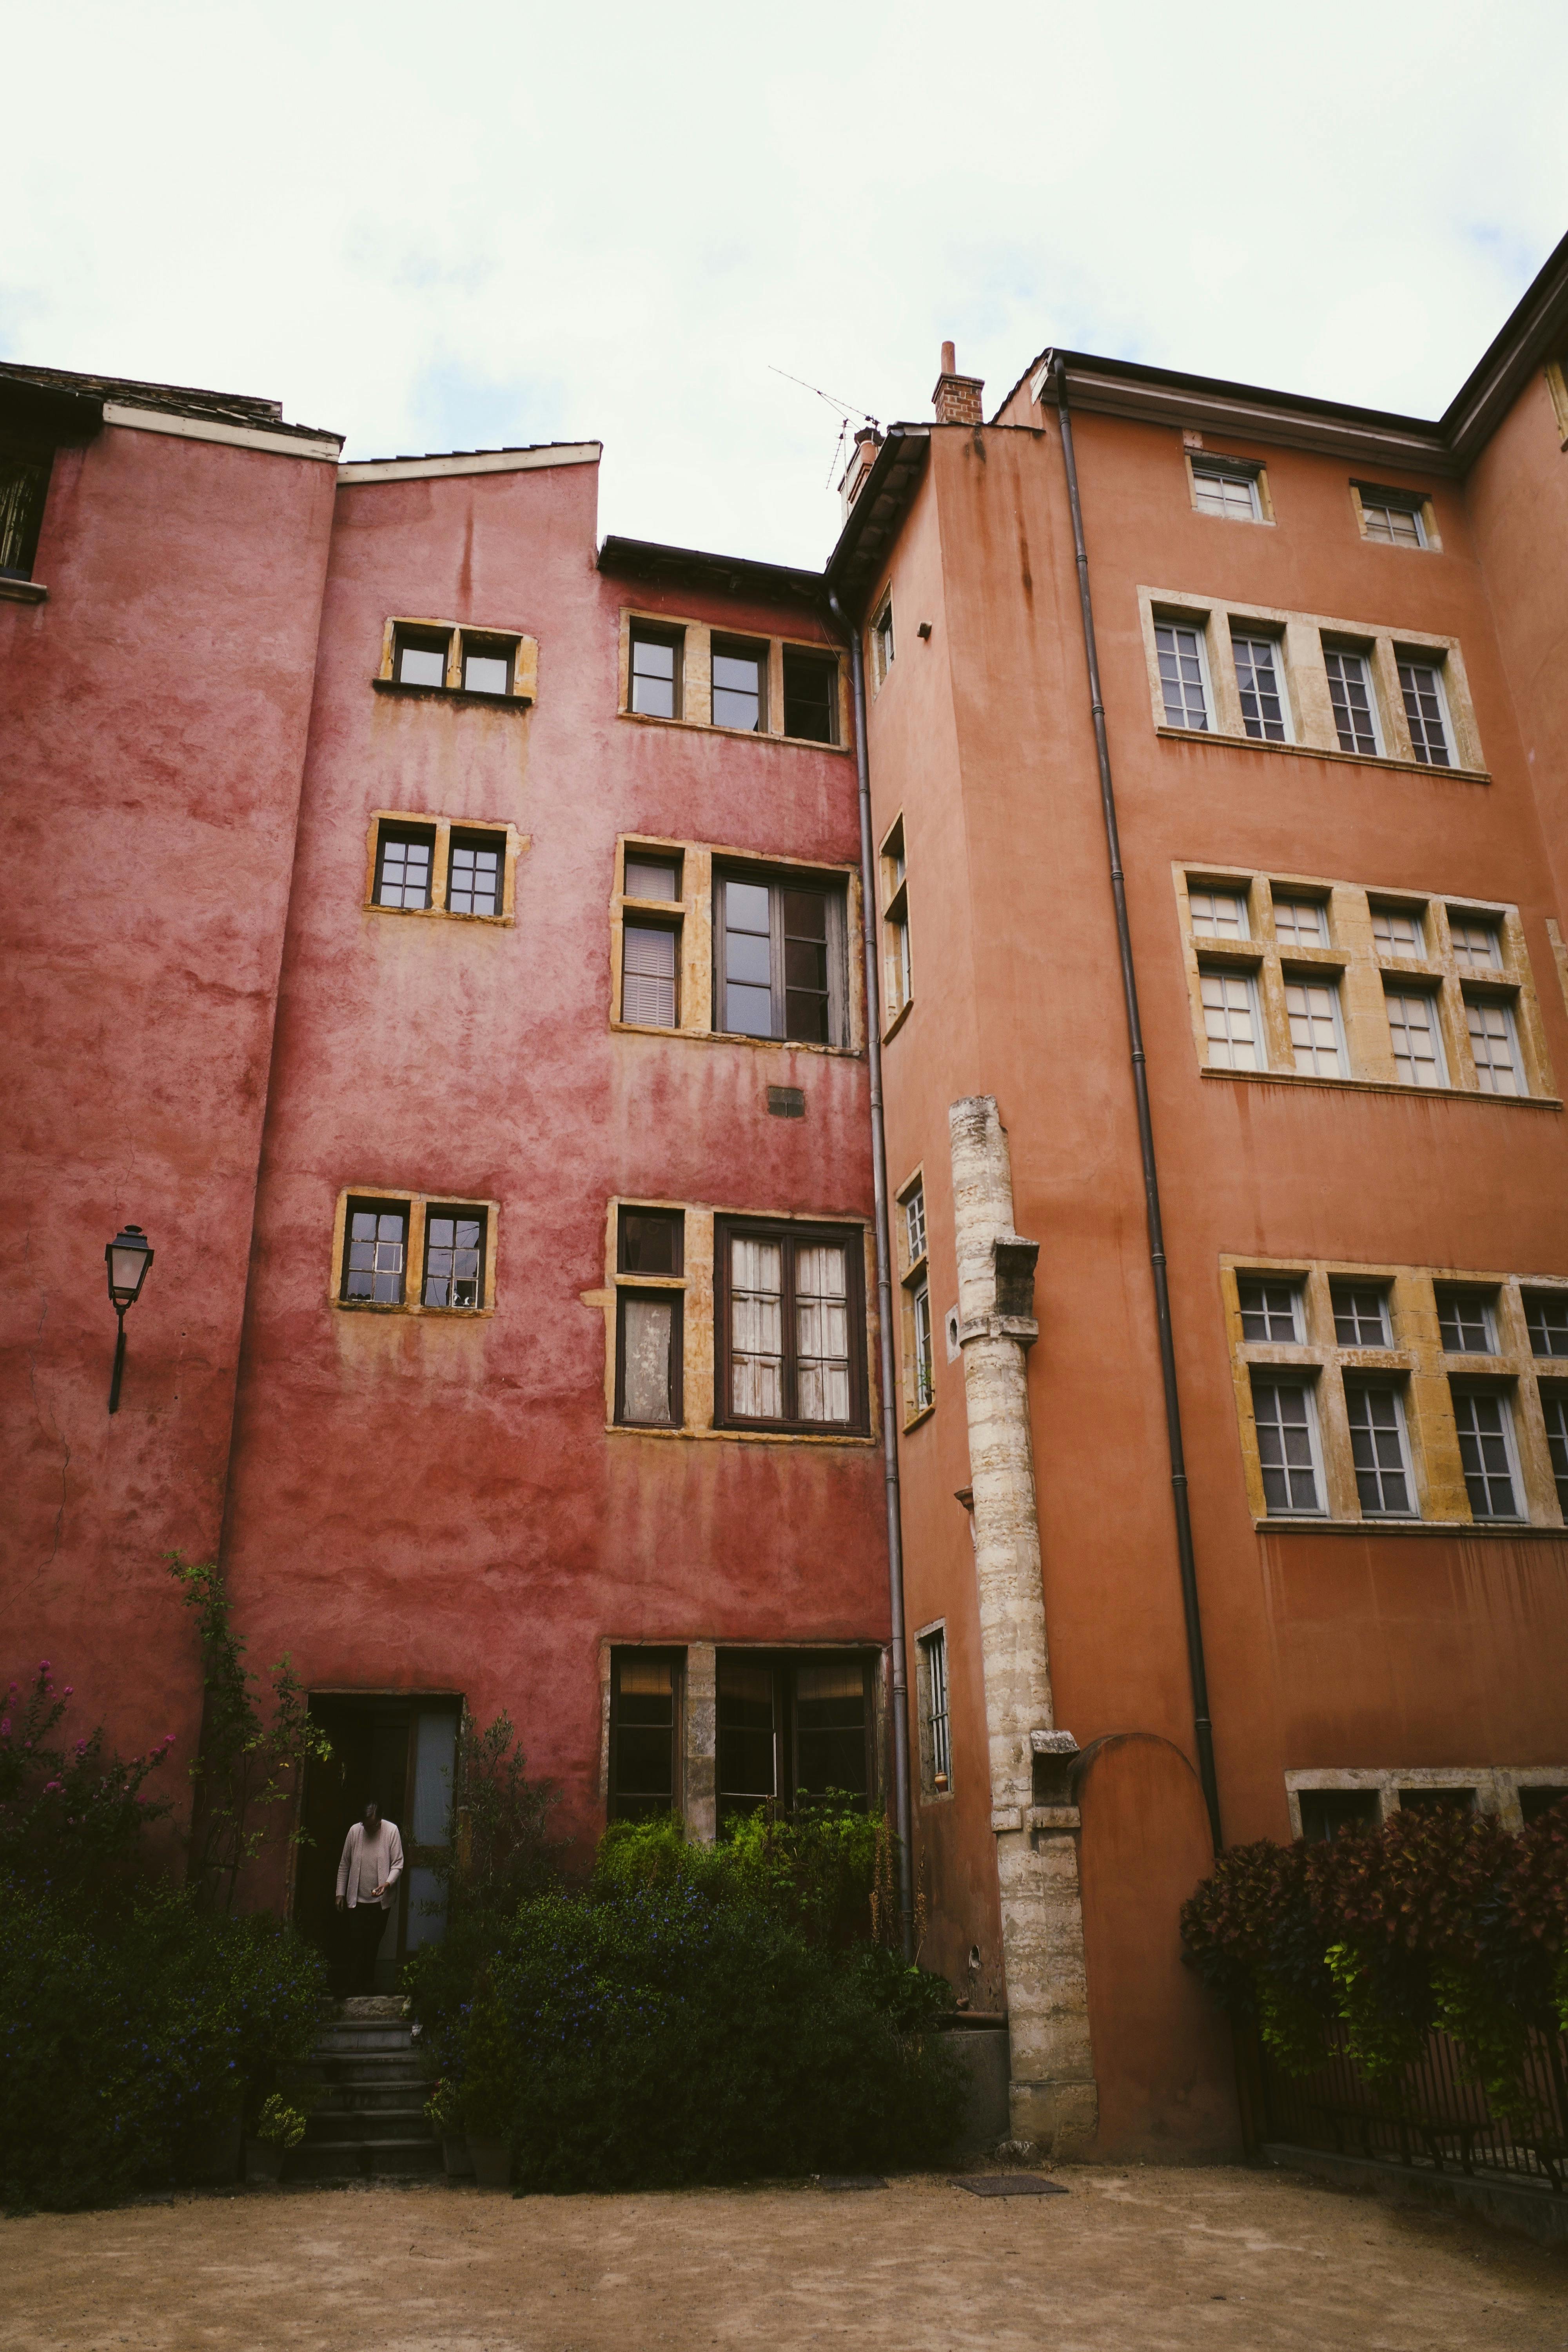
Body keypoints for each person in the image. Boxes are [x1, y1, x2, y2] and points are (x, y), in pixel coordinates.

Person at [334, 1799, 405, 1995]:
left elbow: (398, 1864)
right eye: (366, 1825)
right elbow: (344, 1864)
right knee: (356, 1941)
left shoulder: (391, 1831)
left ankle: (367, 1983)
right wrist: (340, 1893)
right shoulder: (355, 1832)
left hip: (380, 1903)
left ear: (380, 1821)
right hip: (357, 1900)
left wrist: (387, 1884)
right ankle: (351, 1985)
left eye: (373, 1825)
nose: (369, 1829)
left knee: (372, 1942)